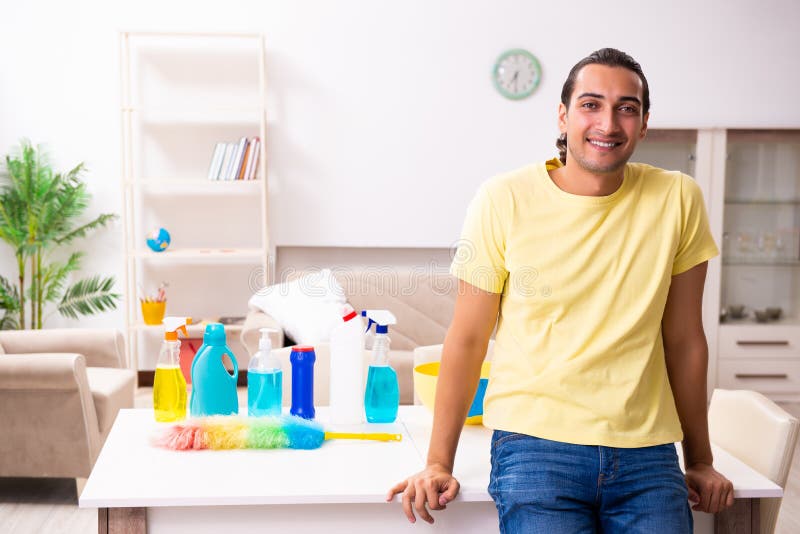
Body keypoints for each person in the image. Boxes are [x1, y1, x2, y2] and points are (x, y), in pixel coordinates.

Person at [386, 48, 734, 533]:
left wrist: (700, 458)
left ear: (644, 122)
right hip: (534, 447)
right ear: (564, 115)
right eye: (591, 105)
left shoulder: (678, 198)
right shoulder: (501, 199)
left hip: (647, 452)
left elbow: (685, 341)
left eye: (626, 108)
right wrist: (438, 462)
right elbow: (466, 338)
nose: (608, 123)